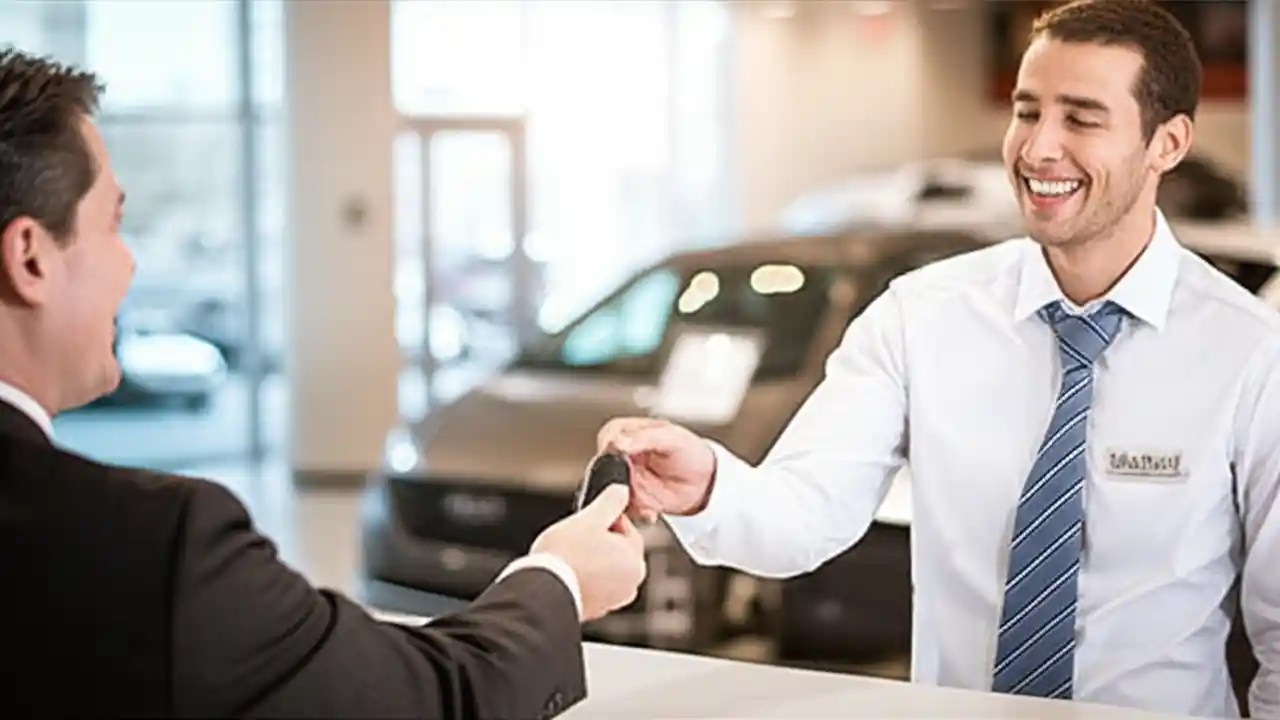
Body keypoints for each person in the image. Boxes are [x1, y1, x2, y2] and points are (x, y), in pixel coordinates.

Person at [599, 1, 1277, 718]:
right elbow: (804, 513)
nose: (1039, 147)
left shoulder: (1247, 354)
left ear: (1167, 143)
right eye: (1027, 111)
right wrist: (708, 484)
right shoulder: (920, 317)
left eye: (1081, 119)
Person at [0, 48, 646, 718]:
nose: (129, 264)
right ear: (30, 256)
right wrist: (562, 576)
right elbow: (433, 697)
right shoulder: (151, 548)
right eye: (113, 223)